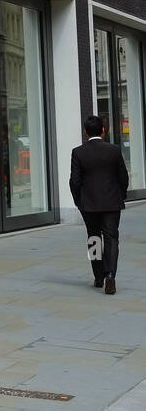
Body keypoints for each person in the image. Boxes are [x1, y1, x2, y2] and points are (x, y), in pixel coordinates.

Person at [70, 114, 128, 295]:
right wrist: (121, 195)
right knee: (111, 238)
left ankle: (98, 276)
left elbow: (75, 181)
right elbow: (123, 177)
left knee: (93, 238)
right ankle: (111, 275)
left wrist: (79, 201)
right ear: (103, 130)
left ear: (85, 132)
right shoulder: (114, 150)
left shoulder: (78, 152)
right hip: (112, 202)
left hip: (89, 204)